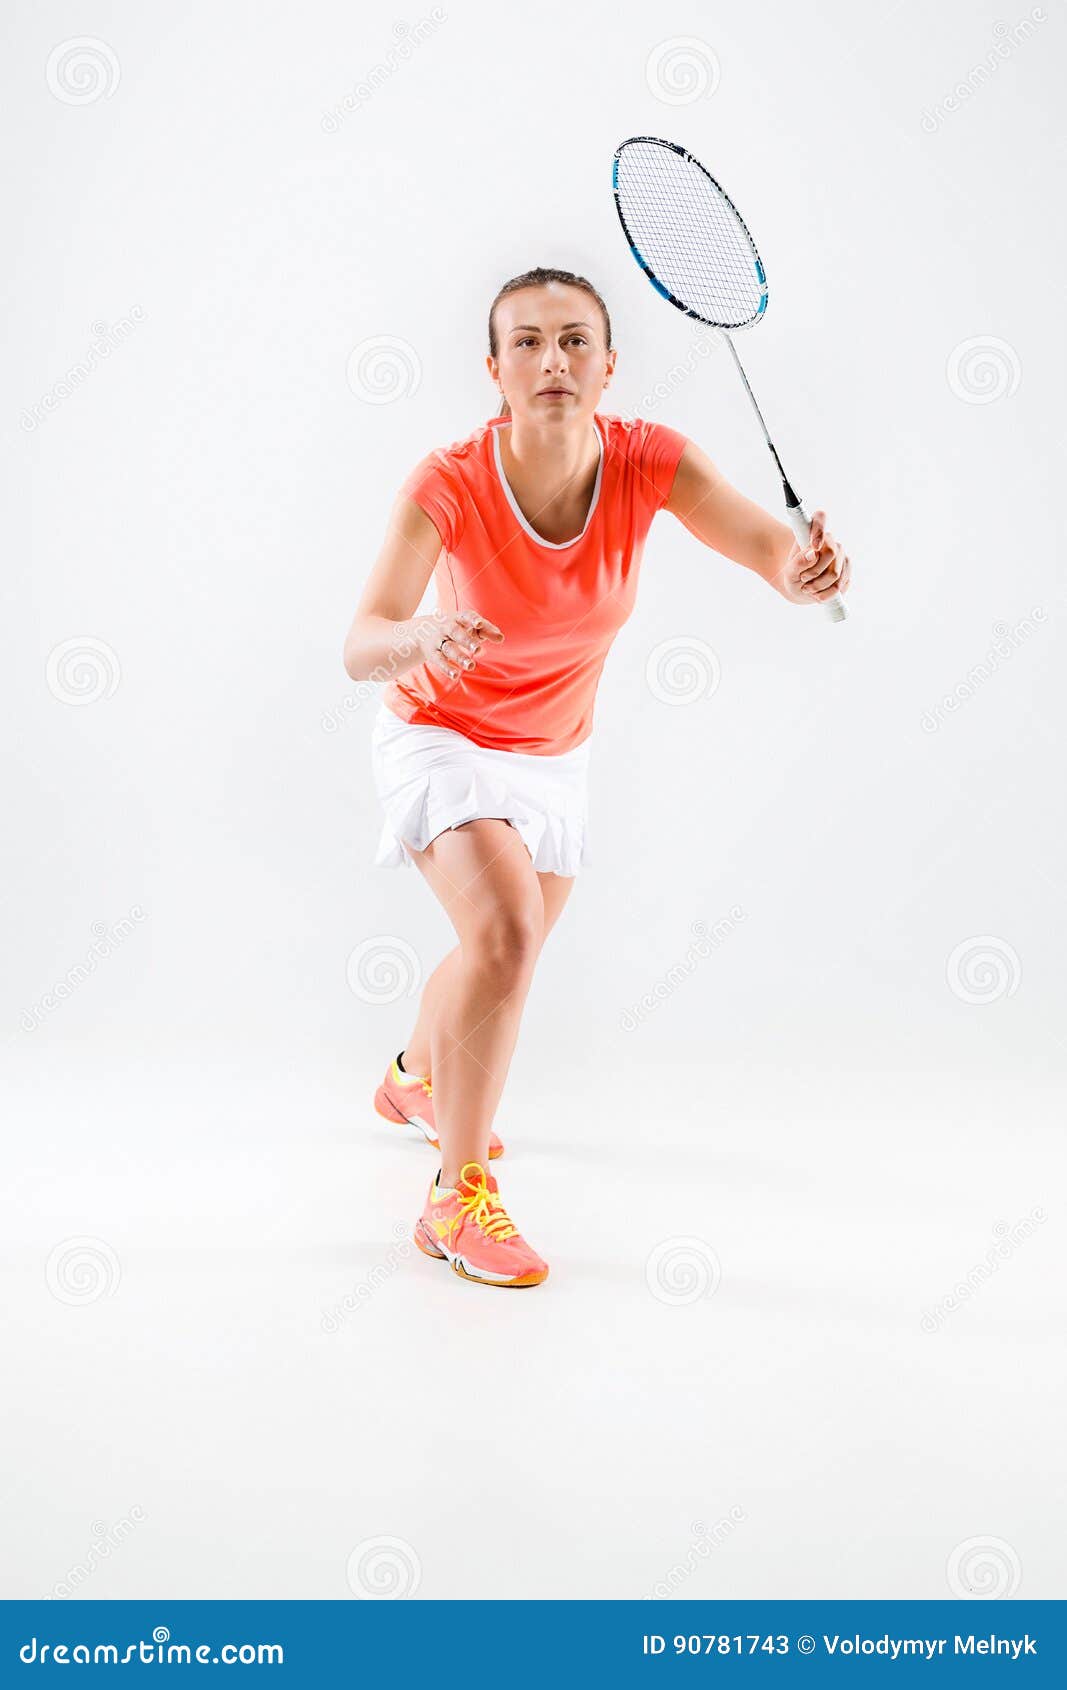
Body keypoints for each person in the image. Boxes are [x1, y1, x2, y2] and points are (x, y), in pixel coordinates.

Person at [342, 266, 851, 1291]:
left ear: (609, 365)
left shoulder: (646, 461)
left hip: (552, 752)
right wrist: (422, 635)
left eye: (574, 340)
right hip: (440, 733)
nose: (552, 360)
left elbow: (757, 540)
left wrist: (794, 573)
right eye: (525, 342)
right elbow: (361, 641)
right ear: (493, 370)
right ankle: (455, 1196)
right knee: (507, 936)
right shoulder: (446, 480)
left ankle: (411, 1079)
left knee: (499, 960)